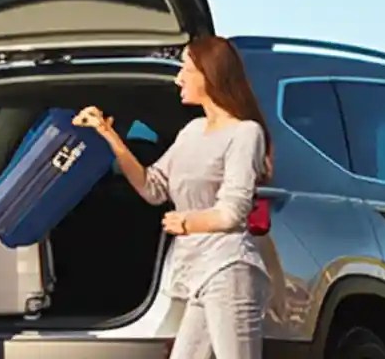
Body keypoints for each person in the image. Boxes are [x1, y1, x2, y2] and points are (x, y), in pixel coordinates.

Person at [74, 35, 273, 359]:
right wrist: (109, 135)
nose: (178, 77)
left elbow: (233, 211)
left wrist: (187, 221)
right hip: (197, 272)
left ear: (210, 75)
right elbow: (153, 187)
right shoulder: (192, 131)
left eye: (186, 69)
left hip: (229, 269)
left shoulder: (245, 133)